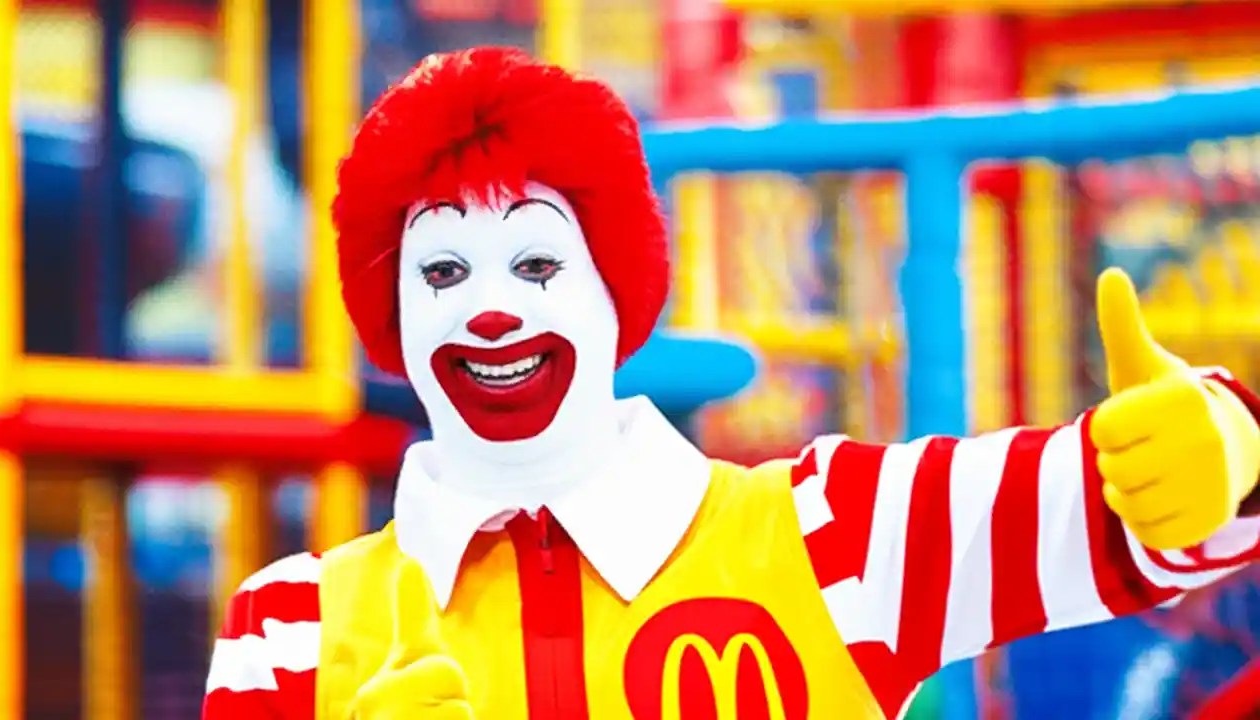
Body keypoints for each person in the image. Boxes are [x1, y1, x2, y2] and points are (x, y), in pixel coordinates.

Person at [202, 47, 1260, 719]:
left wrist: (1223, 444)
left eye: (535, 264)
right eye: (443, 272)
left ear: (615, 290)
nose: (492, 310)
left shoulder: (833, 534)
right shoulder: (290, 628)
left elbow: (1112, 515)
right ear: (394, 315)